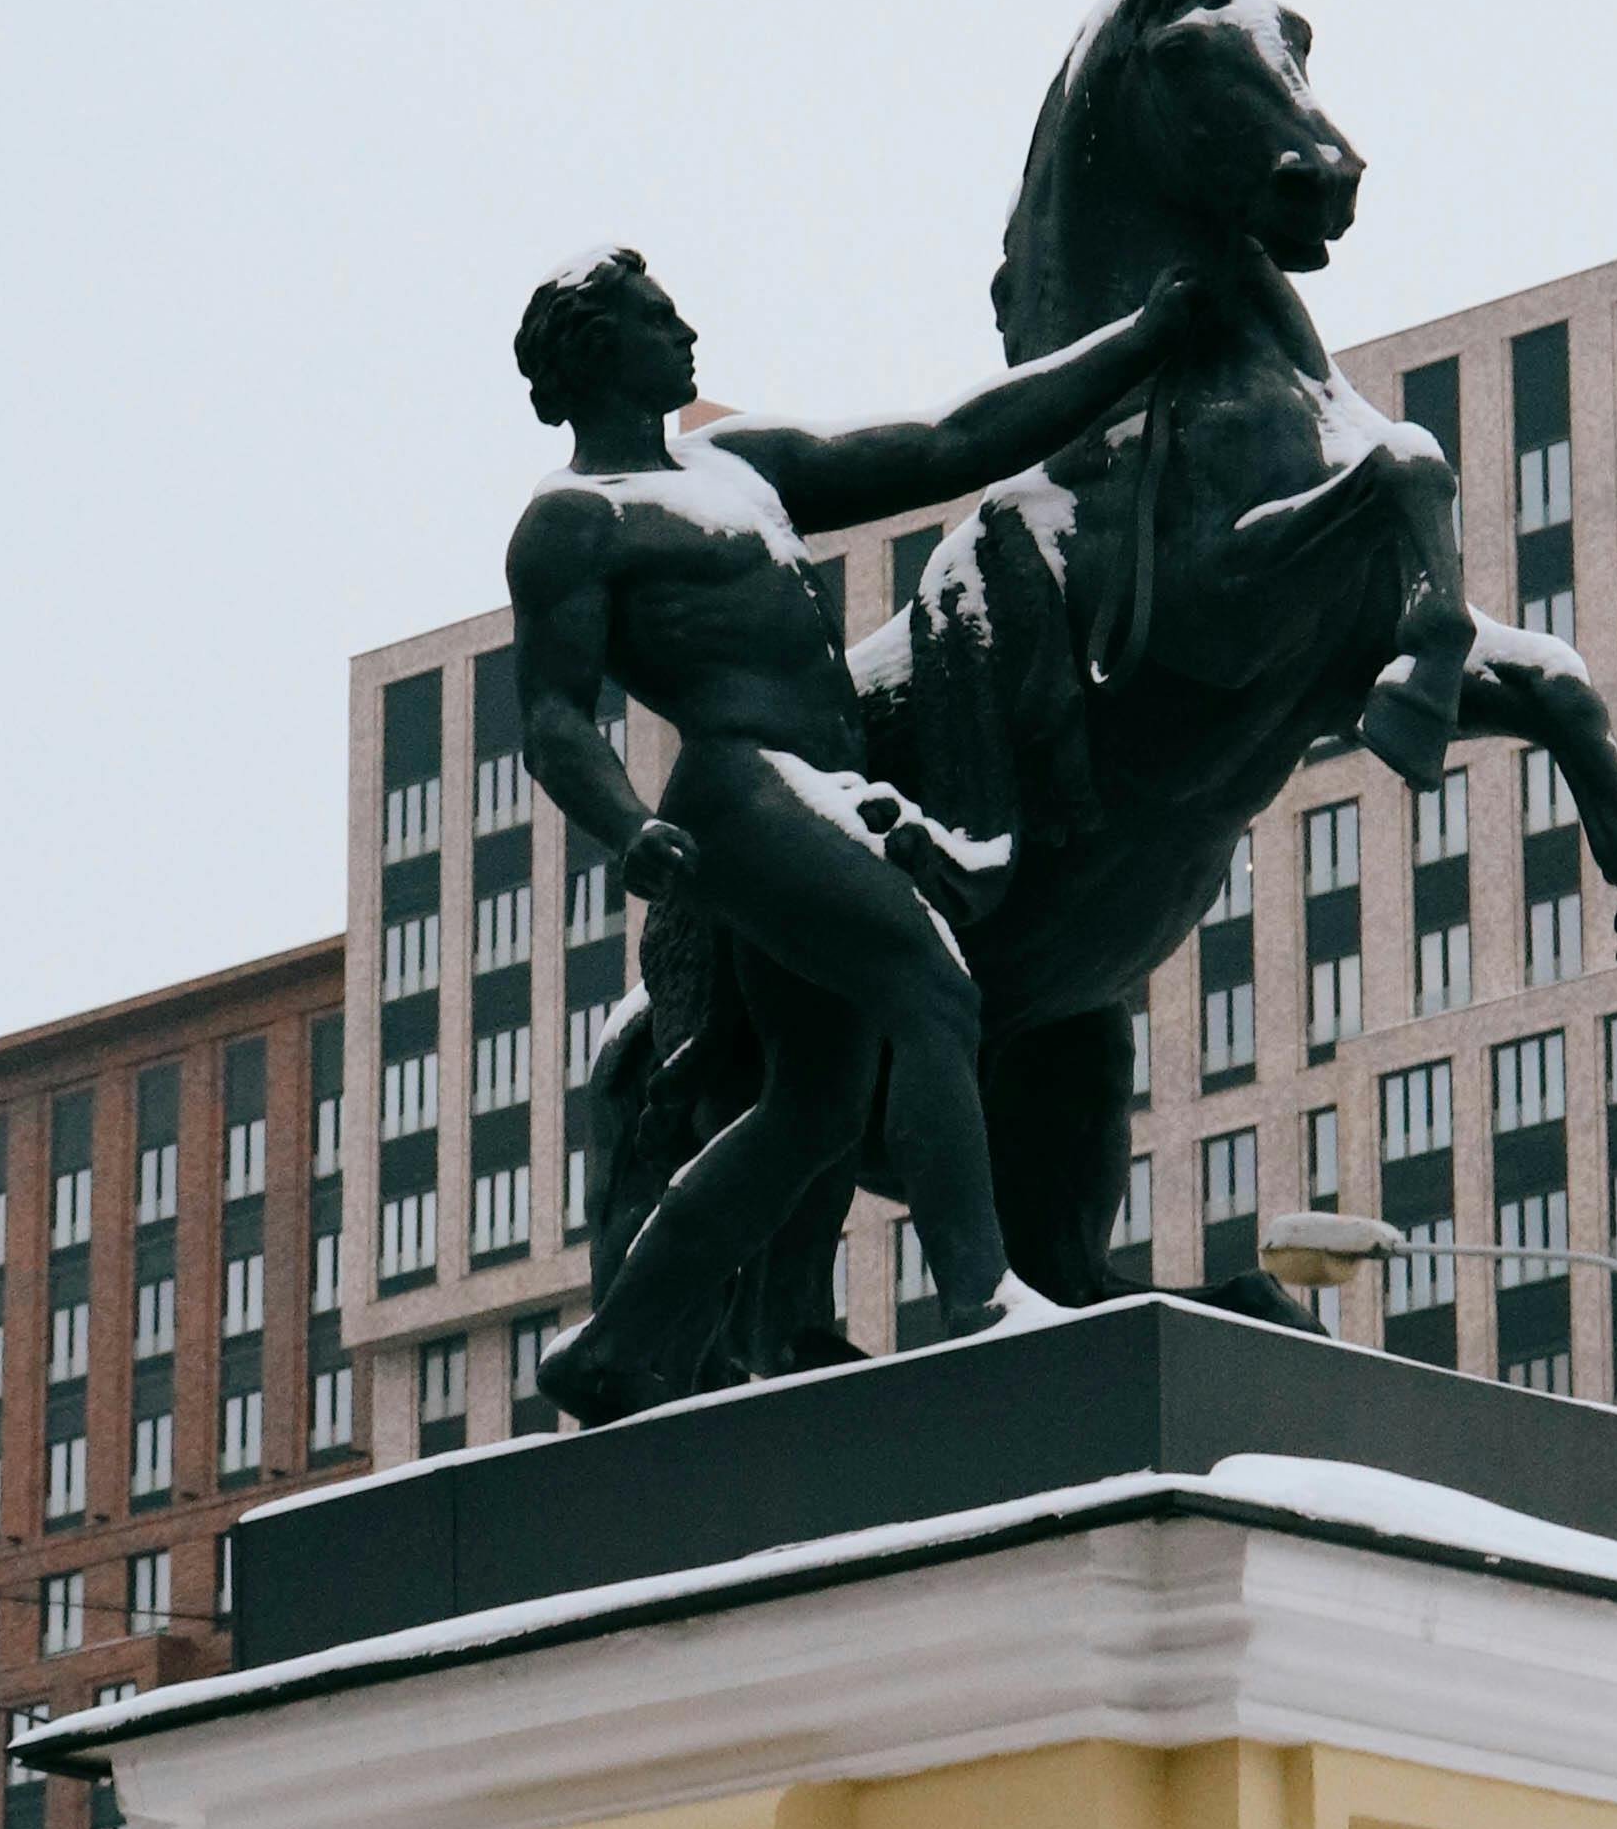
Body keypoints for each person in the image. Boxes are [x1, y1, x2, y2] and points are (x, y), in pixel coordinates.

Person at [506, 242, 1217, 1415]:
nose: (686, 331)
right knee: (933, 991)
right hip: (738, 793)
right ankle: (983, 1294)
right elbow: (552, 718)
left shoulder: (741, 467)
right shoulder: (575, 523)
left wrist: (1136, 344)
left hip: (822, 786)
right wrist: (625, 823)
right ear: (595, 357)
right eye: (656, 317)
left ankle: (617, 1340)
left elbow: (947, 446)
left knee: (815, 1109)